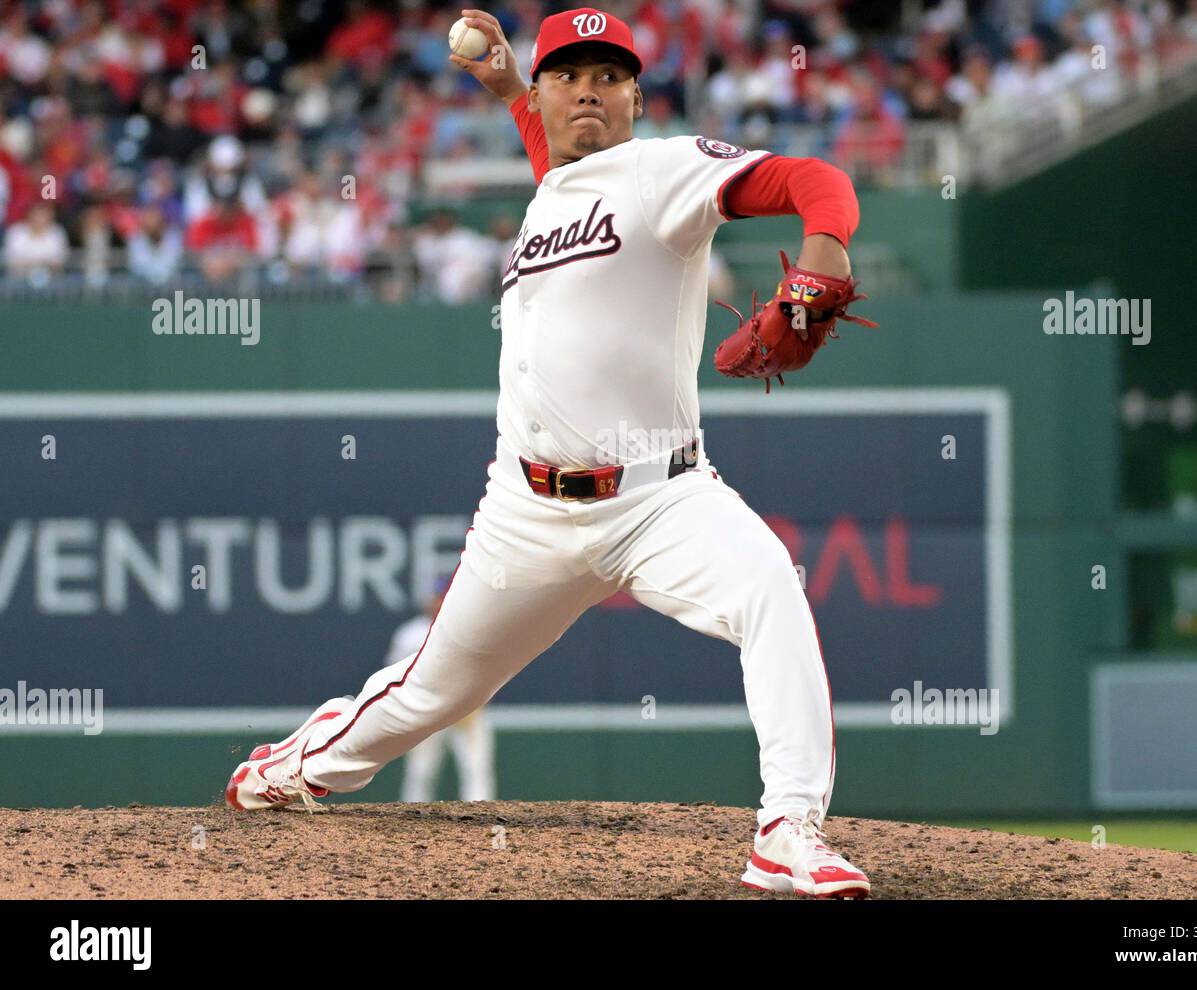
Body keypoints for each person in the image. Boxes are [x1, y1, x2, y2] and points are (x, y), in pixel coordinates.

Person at [226, 6, 873, 899]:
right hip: (525, 513)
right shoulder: (552, 189)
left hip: (660, 498)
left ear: (637, 96)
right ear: (542, 91)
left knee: (769, 585)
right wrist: (502, 86)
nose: (589, 92)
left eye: (609, 77)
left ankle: (789, 829)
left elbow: (815, 178)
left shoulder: (661, 170)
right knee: (428, 696)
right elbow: (562, 165)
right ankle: (294, 765)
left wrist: (820, 262)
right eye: (569, 76)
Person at [382, 576, 496, 803]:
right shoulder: (411, 633)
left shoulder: (469, 627)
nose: (437, 602)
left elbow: (488, 667)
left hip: (466, 710)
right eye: (435, 597)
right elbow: (392, 673)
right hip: (426, 708)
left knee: (475, 768)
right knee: (421, 771)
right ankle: (412, 817)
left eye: (442, 597)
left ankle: (481, 820)